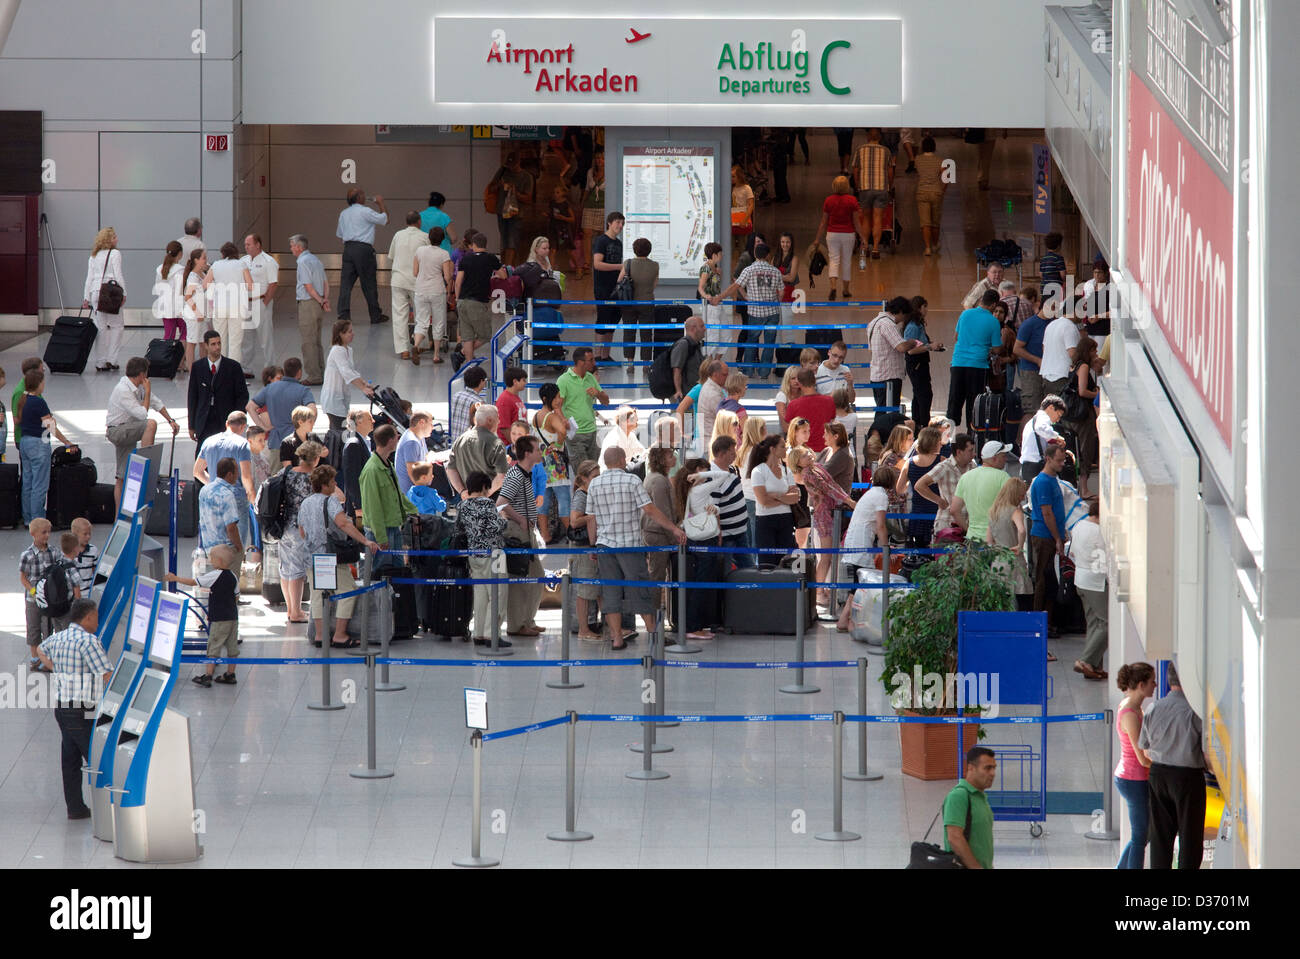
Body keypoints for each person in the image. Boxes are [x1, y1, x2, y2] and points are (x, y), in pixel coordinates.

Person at [585, 446, 686, 650]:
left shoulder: (594, 484)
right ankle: (654, 634)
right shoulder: (632, 481)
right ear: (622, 460)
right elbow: (649, 510)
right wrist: (673, 528)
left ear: (606, 462)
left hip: (605, 546)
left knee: (611, 591)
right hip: (629, 545)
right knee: (640, 589)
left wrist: (593, 544)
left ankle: (616, 638)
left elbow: (591, 518)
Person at [35, 598, 111, 819]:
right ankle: (111, 810)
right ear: (87, 617)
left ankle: (75, 807)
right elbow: (106, 674)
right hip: (82, 708)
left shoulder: (59, 637)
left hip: (62, 707)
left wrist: (55, 668)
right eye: (96, 616)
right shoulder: (89, 641)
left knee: (70, 757)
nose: (98, 620)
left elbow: (40, 650)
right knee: (95, 756)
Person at [298, 464, 377, 649]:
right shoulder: (330, 501)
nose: (335, 484)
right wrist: (365, 541)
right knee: (348, 591)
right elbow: (343, 524)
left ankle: (320, 635)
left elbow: (302, 531)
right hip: (330, 556)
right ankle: (340, 635)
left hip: (311, 556)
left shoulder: (306, 502)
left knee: (318, 595)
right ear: (324, 485)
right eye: (332, 481)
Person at [1139, 663, 1208, 870]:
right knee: (1190, 836)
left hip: (1159, 774)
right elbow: (1207, 750)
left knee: (1160, 835)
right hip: (1188, 778)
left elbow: (1144, 746)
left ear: (1169, 681)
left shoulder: (1154, 708)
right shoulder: (1195, 711)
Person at [105, 357, 179, 509]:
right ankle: (147, 462)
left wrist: (170, 420)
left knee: (121, 476)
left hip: (128, 429)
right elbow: (142, 414)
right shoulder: (123, 390)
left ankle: (118, 516)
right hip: (118, 430)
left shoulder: (138, 386)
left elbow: (155, 402)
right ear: (141, 374)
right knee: (150, 424)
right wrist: (148, 391)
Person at [835, 464, 896, 632]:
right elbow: (881, 525)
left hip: (854, 539)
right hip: (861, 541)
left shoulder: (871, 493)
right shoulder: (881, 496)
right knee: (861, 582)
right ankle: (846, 620)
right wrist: (885, 547)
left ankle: (846, 620)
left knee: (857, 582)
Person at [168, 546, 241, 686]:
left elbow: (194, 582)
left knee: (213, 646)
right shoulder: (233, 576)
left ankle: (208, 675)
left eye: (212, 558)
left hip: (219, 619)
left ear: (219, 561)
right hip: (232, 617)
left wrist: (175, 578)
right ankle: (230, 674)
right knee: (232, 647)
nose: (210, 561)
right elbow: (236, 596)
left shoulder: (215, 574)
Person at [675, 457, 730, 639]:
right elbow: (724, 474)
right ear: (698, 470)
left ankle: (694, 625)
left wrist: (714, 510)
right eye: (705, 470)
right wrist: (701, 475)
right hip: (706, 541)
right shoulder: (699, 487)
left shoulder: (691, 490)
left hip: (698, 539)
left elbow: (707, 508)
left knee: (700, 583)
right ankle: (693, 627)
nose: (708, 474)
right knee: (702, 584)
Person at [498, 436, 546, 637]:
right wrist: (520, 519)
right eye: (537, 449)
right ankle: (516, 625)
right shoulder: (516, 475)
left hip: (526, 532)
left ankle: (527, 619)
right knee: (519, 578)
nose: (540, 452)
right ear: (528, 453)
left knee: (537, 576)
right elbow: (501, 503)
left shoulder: (525, 474)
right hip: (517, 533)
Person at [457, 470, 510, 647]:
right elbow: (496, 527)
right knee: (498, 593)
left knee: (480, 594)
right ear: (483, 487)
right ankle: (491, 634)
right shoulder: (488, 504)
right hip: (494, 554)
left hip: (474, 555)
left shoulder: (463, 506)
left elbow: (459, 528)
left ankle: (479, 633)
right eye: (487, 488)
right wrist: (503, 518)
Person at [713, 243, 784, 376]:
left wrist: (720, 297)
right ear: (768, 256)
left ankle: (749, 371)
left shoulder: (749, 270)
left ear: (755, 255)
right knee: (769, 343)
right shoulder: (776, 271)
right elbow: (781, 293)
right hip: (773, 312)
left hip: (755, 313)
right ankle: (764, 373)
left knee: (751, 341)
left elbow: (735, 286)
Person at [17, 369, 75, 523]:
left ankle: (28, 518)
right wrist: (67, 442)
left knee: (27, 482)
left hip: (25, 443)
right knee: (40, 484)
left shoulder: (23, 400)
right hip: (39, 444)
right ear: (38, 384)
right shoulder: (39, 402)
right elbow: (50, 426)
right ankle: (38, 519)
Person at [1114, 662, 1156, 869]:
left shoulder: (1132, 705)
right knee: (1141, 835)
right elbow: (1142, 758)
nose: (1155, 685)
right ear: (1141, 684)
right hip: (1133, 779)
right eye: (1151, 681)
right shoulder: (1130, 713)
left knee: (1143, 833)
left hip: (1133, 778)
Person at [195, 410, 256, 546]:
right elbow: (246, 476)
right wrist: (252, 497)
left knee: (215, 542)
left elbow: (197, 471)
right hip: (236, 496)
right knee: (236, 543)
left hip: (213, 496)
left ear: (227, 423)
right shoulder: (242, 444)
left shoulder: (209, 441)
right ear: (243, 427)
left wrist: (213, 484)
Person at [358, 425, 416, 565]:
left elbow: (398, 495)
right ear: (390, 440)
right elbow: (372, 507)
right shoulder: (372, 470)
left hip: (393, 526)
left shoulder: (387, 465)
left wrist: (414, 512)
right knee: (379, 572)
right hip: (381, 531)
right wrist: (381, 537)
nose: (398, 439)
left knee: (398, 570)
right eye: (397, 436)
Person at [947, 290, 1004, 429]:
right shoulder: (993, 321)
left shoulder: (965, 314)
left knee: (954, 401)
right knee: (974, 405)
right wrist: (987, 348)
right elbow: (997, 349)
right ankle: (971, 438)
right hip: (978, 366)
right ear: (993, 305)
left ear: (981, 300)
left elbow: (956, 337)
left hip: (958, 363)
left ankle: (948, 438)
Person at [1029, 444, 1069, 643]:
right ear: (1048, 459)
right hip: (1044, 537)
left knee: (1049, 582)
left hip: (1050, 536)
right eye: (1059, 460)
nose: (1062, 464)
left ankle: (1046, 621)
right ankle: (1040, 622)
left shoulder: (1051, 479)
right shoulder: (1044, 482)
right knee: (1043, 581)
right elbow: (1047, 513)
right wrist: (1057, 538)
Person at [187, 328, 249, 452]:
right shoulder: (198, 367)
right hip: (204, 420)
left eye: (219, 343)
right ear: (206, 346)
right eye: (213, 344)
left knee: (225, 456)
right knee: (203, 455)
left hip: (225, 419)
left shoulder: (233, 367)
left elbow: (242, 396)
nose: (217, 347)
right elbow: (192, 397)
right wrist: (192, 425)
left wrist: (237, 420)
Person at [335, 187, 389, 325]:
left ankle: (343, 315)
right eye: (363, 194)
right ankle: (375, 315)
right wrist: (381, 203)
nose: (365, 196)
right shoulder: (365, 211)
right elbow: (385, 219)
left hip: (348, 249)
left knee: (346, 284)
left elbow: (340, 234)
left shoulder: (343, 213)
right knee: (369, 283)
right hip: (364, 250)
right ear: (359, 198)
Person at [1071, 499, 1109, 679]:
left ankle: (1093, 667)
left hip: (1080, 579)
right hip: (1095, 582)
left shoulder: (1079, 525)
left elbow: (1071, 552)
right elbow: (1105, 558)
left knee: (1093, 623)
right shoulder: (1099, 531)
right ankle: (1086, 661)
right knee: (1106, 623)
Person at [913, 433, 977, 539]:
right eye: (970, 450)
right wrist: (939, 500)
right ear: (959, 452)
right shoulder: (944, 467)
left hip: (968, 523)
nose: (974, 454)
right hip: (947, 523)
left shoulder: (973, 466)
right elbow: (919, 485)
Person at [943, 746, 998, 869]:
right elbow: (954, 837)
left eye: (994, 768)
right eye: (987, 768)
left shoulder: (980, 797)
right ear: (971, 768)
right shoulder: (959, 796)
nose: (993, 773)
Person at [454, 230, 504, 362]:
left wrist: (457, 298)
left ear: (474, 244)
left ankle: (469, 365)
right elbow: (503, 275)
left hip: (462, 300)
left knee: (467, 336)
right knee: (485, 335)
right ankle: (462, 353)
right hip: (478, 302)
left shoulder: (466, 258)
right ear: (485, 245)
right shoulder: (491, 258)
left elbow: (458, 281)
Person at [387, 211, 431, 359]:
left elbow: (391, 256)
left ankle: (403, 350)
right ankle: (420, 345)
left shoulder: (398, 235)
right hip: (417, 280)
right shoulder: (424, 237)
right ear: (419, 222)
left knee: (399, 315)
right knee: (421, 313)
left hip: (398, 279)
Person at [82, 227, 126, 373]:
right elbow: (118, 274)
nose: (117, 239)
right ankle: (111, 360)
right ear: (109, 240)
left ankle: (100, 362)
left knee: (100, 327)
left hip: (95, 292)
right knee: (116, 326)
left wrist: (86, 297)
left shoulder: (93, 255)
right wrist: (124, 292)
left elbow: (89, 277)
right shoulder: (115, 253)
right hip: (111, 293)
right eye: (114, 237)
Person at [814, 175, 864, 302]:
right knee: (847, 261)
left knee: (834, 260)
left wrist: (817, 239)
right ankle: (846, 290)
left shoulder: (828, 200)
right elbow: (857, 222)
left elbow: (823, 222)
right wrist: (863, 237)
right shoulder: (852, 200)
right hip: (848, 234)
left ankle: (833, 287)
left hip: (832, 234)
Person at [532, 383, 572, 542]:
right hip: (555, 462)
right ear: (546, 399)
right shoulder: (551, 416)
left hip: (540, 461)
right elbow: (562, 431)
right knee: (563, 498)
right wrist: (558, 442)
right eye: (555, 397)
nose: (558, 400)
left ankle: (545, 535)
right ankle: (571, 532)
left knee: (543, 500)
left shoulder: (536, 416)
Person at [706, 435, 752, 572]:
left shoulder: (732, 469)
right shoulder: (712, 476)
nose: (735, 455)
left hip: (741, 532)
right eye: (732, 452)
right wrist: (718, 534)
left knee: (748, 570)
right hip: (726, 537)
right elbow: (713, 509)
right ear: (721, 453)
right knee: (725, 572)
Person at [568, 460, 603, 641]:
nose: (598, 480)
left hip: (590, 548)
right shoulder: (582, 495)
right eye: (594, 477)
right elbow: (574, 521)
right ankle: (583, 629)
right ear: (583, 478)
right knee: (585, 590)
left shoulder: (590, 493)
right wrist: (591, 518)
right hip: (583, 550)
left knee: (595, 590)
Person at [950, 440, 1012, 542]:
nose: (1005, 459)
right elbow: (1012, 508)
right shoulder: (1003, 477)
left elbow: (954, 510)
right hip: (997, 539)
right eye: (1003, 456)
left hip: (973, 539)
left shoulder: (965, 477)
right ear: (994, 458)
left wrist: (968, 530)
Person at [289, 234, 330, 384]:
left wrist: (319, 300)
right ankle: (320, 371)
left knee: (308, 342)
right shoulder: (315, 260)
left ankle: (314, 375)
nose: (291, 249)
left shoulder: (303, 262)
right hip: (318, 303)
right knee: (317, 340)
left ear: (299, 247)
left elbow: (308, 286)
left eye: (292, 246)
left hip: (308, 303)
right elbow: (325, 282)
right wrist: (324, 300)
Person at [322, 320, 375, 432]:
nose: (352, 334)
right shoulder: (337, 350)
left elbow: (351, 371)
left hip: (342, 395)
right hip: (333, 397)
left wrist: (363, 382)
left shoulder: (348, 350)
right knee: (340, 430)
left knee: (341, 428)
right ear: (341, 334)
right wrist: (363, 388)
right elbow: (346, 372)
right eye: (349, 332)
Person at [868, 297, 922, 408]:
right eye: (904, 316)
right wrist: (912, 342)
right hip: (888, 377)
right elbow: (901, 347)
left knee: (882, 410)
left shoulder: (873, 323)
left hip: (877, 375)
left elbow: (871, 350)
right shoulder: (888, 324)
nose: (902, 320)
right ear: (900, 311)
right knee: (888, 414)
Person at [207, 242, 254, 371]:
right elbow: (251, 285)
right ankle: (233, 374)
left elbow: (205, 284)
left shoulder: (216, 265)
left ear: (223, 253)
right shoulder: (241, 264)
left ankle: (218, 371)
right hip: (237, 307)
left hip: (219, 307)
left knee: (219, 341)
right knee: (235, 342)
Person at [249, 356, 315, 448]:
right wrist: (307, 429)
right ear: (299, 372)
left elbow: (250, 406)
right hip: (297, 443)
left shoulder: (270, 388)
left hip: (275, 442)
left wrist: (262, 427)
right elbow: (312, 410)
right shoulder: (304, 391)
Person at [445, 405, 509, 498]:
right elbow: (501, 477)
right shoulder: (496, 443)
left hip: (467, 499)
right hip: (492, 499)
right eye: (498, 418)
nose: (499, 422)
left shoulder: (460, 440)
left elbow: (450, 469)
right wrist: (486, 494)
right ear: (490, 420)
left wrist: (462, 491)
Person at [986, 477, 1033, 605]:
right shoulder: (1015, 511)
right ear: (1015, 494)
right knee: (1022, 599)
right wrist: (1019, 545)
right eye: (1022, 494)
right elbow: (1022, 530)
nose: (1023, 498)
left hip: (998, 561)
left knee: (1002, 602)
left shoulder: (993, 511)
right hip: (1015, 560)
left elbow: (989, 540)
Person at [558, 347, 607, 467]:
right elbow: (556, 406)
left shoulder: (590, 378)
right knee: (584, 473)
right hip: (575, 434)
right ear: (580, 362)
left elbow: (606, 401)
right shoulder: (563, 380)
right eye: (591, 360)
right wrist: (564, 421)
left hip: (592, 431)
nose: (594, 363)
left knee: (593, 471)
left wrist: (598, 394)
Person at [748, 435, 799, 552]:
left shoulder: (787, 470)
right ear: (772, 449)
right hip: (765, 521)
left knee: (785, 561)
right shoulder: (758, 471)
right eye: (782, 446)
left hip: (786, 520)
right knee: (767, 563)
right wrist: (785, 497)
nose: (786, 449)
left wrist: (776, 495)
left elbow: (795, 497)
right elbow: (764, 501)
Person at [411, 226, 453, 365]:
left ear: (429, 237)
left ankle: (416, 346)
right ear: (442, 239)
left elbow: (415, 272)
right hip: (437, 291)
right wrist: (449, 291)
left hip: (421, 290)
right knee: (438, 322)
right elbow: (447, 277)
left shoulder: (420, 251)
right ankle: (435, 355)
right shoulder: (444, 254)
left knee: (422, 321)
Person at [1066, 336, 1102, 499]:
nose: (1096, 352)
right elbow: (1082, 391)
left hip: (1071, 414)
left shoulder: (1075, 365)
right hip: (1082, 414)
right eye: (1094, 350)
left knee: (1075, 449)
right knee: (1086, 449)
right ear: (1088, 351)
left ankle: (1078, 486)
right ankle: (1085, 488)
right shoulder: (1084, 367)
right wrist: (1098, 394)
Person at [896, 425, 944, 543]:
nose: (941, 444)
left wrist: (912, 482)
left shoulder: (909, 462)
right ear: (934, 443)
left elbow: (899, 489)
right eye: (939, 441)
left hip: (917, 512)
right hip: (937, 511)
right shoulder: (942, 460)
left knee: (918, 553)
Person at [616, 237, 661, 364]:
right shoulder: (655, 265)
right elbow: (654, 284)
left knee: (629, 332)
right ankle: (646, 363)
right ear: (649, 250)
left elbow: (619, 281)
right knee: (646, 333)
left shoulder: (628, 263)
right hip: (647, 302)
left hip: (629, 303)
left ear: (635, 250)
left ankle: (630, 362)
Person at [852, 128, 895, 259]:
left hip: (865, 187)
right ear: (879, 138)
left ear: (867, 137)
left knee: (866, 219)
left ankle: (865, 247)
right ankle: (876, 248)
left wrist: (857, 185)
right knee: (877, 219)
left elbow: (855, 170)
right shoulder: (886, 151)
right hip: (881, 187)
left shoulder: (860, 150)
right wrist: (890, 186)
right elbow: (890, 171)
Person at [20, 519, 57, 671]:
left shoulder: (54, 552)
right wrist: (34, 592)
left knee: (47, 628)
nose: (47, 535)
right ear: (33, 534)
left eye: (49, 532)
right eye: (43, 532)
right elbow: (23, 578)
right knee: (34, 628)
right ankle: (35, 659)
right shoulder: (27, 555)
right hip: (33, 599)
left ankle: (45, 659)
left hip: (49, 599)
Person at [241, 233, 280, 372]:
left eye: (249, 244)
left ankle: (270, 367)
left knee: (265, 337)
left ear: (258, 244)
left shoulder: (268, 261)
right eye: (245, 244)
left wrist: (265, 303)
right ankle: (246, 368)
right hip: (246, 303)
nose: (246, 247)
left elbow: (273, 283)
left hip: (260, 301)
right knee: (246, 338)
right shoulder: (243, 260)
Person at [641, 446, 678, 590]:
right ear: (661, 460)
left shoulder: (659, 478)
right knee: (657, 575)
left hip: (658, 533)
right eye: (670, 456)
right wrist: (674, 537)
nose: (674, 459)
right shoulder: (658, 481)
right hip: (658, 534)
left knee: (659, 574)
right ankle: (652, 610)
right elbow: (663, 512)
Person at [1013, 297, 1055, 419]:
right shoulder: (1029, 324)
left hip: (1049, 371)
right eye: (1052, 307)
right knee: (1031, 409)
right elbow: (1017, 348)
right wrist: (1037, 360)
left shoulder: (1053, 323)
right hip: (1031, 370)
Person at [591, 212, 626, 360]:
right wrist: (619, 266)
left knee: (613, 320)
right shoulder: (601, 241)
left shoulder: (618, 243)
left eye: (622, 223)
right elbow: (597, 264)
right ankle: (597, 355)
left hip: (616, 288)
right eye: (617, 222)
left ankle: (606, 355)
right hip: (603, 287)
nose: (620, 226)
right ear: (609, 223)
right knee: (603, 318)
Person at [903, 296, 942, 426]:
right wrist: (929, 347)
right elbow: (911, 350)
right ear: (919, 308)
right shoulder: (913, 326)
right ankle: (923, 424)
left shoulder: (918, 324)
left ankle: (918, 422)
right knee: (925, 395)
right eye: (925, 307)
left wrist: (932, 345)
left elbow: (921, 342)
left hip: (922, 363)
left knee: (919, 394)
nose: (927, 310)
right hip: (916, 364)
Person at [491, 153, 534, 266]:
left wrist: (516, 193)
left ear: (518, 163)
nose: (510, 168)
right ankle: (504, 266)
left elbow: (529, 198)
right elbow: (491, 188)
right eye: (509, 165)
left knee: (511, 241)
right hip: (501, 212)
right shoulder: (503, 172)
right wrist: (500, 186)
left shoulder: (526, 177)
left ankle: (508, 267)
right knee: (504, 241)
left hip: (515, 214)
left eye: (513, 165)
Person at [198, 457, 246, 554]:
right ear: (229, 474)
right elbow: (231, 528)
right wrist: (240, 548)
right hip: (225, 552)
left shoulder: (204, 490)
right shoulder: (227, 495)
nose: (238, 475)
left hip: (208, 549)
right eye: (237, 471)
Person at [1019, 395, 1069, 483]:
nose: (1058, 420)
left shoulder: (1035, 420)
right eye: (1059, 414)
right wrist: (1057, 437)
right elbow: (1041, 428)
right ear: (1051, 407)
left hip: (1029, 466)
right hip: (1034, 466)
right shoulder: (1043, 417)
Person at [785, 368, 836, 453]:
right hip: (825, 449)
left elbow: (789, 429)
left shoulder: (793, 405)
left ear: (799, 383)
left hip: (802, 452)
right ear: (815, 380)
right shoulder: (829, 401)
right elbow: (832, 420)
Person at [736, 416, 767, 546]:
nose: (766, 431)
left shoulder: (742, 451)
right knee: (758, 540)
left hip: (745, 497)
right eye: (763, 428)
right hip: (756, 499)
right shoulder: (759, 452)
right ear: (758, 431)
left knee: (748, 540)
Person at [1040, 299, 1082, 396]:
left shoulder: (1051, 325)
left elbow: (1044, 349)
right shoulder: (1069, 327)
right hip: (1062, 377)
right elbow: (1073, 354)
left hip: (1047, 377)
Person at [914, 136, 948, 256]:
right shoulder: (940, 161)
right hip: (936, 192)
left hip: (922, 192)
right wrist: (942, 191)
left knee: (925, 222)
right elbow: (946, 178)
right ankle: (935, 244)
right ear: (934, 147)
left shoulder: (917, 159)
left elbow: (917, 171)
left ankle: (927, 248)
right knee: (935, 222)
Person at [341, 409, 375, 521]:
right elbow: (352, 478)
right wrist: (358, 505)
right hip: (360, 506)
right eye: (370, 418)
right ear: (359, 422)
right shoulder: (353, 444)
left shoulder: (364, 441)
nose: (373, 421)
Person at [154, 240, 187, 350]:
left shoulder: (159, 269)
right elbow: (180, 291)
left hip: (165, 307)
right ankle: (181, 362)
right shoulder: (180, 270)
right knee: (184, 334)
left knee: (168, 336)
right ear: (180, 254)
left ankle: (166, 360)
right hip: (178, 307)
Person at [393, 412, 435, 497]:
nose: (432, 428)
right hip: (412, 495)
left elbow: (425, 456)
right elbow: (413, 473)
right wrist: (424, 497)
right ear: (421, 422)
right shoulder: (411, 442)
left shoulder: (420, 437)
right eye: (431, 424)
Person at [697, 242, 727, 352]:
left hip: (718, 304)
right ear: (714, 255)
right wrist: (707, 296)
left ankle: (716, 361)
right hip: (710, 306)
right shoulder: (706, 269)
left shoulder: (717, 269)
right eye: (720, 253)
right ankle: (709, 364)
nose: (722, 255)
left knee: (726, 335)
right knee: (712, 336)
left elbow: (717, 286)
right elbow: (700, 287)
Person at [601, 406, 647, 474]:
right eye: (633, 418)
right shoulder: (613, 437)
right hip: (612, 473)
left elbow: (642, 452)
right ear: (624, 421)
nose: (637, 420)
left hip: (623, 471)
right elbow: (610, 465)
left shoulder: (631, 435)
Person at [450, 365, 489, 441]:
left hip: (454, 442)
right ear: (481, 381)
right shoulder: (479, 402)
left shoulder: (456, 396)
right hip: (469, 446)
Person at [773, 231, 800, 332]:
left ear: (791, 243)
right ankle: (778, 347)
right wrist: (784, 276)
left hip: (788, 296)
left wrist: (777, 275)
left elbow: (791, 278)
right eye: (783, 242)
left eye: (787, 242)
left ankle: (789, 347)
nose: (785, 244)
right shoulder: (775, 258)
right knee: (776, 327)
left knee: (788, 327)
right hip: (774, 296)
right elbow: (771, 276)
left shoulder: (794, 259)